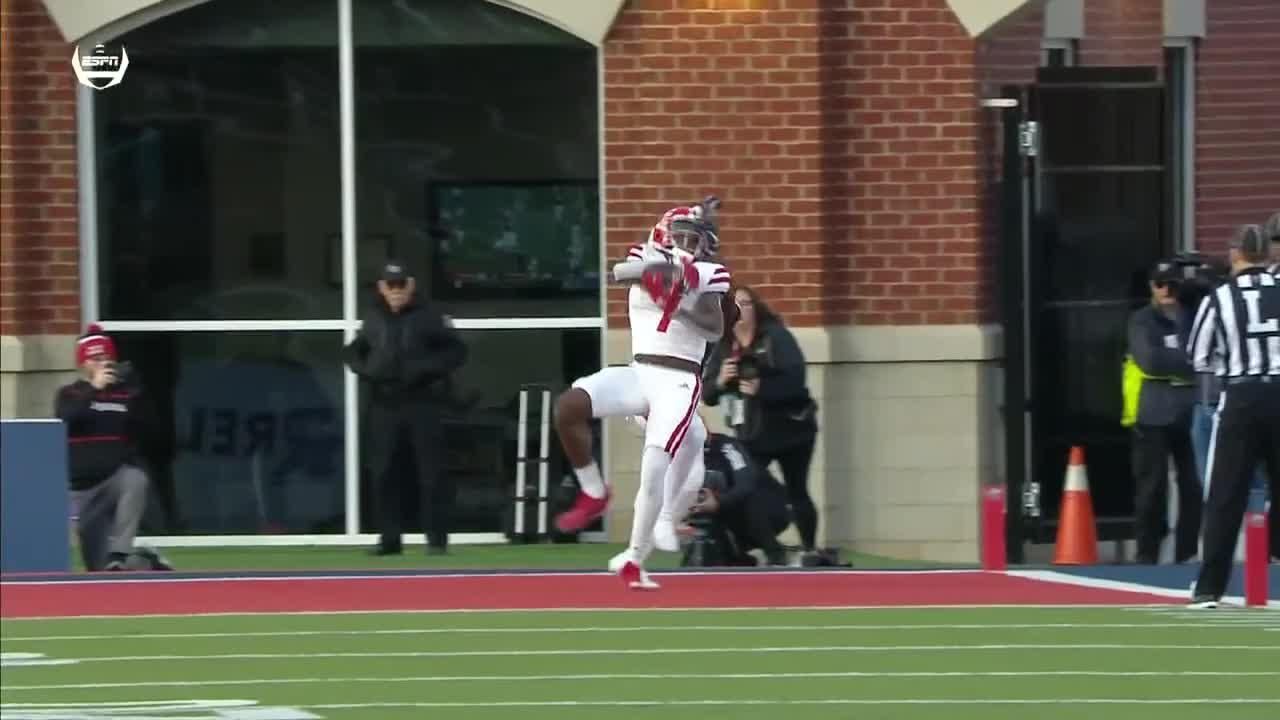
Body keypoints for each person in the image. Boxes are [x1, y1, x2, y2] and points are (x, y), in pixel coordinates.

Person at [553, 201, 731, 589]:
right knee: (568, 406)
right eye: (681, 235)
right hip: (639, 370)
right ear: (664, 232)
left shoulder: (708, 274)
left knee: (655, 463)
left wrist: (679, 302)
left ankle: (635, 555)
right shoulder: (646, 256)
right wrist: (657, 274)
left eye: (695, 238)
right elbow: (618, 273)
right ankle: (594, 491)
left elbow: (715, 328)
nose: (688, 244)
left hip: (679, 379)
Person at [343, 261, 467, 556]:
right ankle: (389, 540)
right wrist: (367, 370)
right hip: (384, 405)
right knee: (383, 471)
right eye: (390, 285)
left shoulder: (430, 316)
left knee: (431, 472)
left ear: (410, 286)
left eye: (401, 285)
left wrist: (423, 369)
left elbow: (456, 351)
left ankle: (436, 541)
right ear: (382, 287)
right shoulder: (373, 317)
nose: (396, 291)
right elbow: (354, 351)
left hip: (422, 403)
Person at [1188, 224, 1280, 607]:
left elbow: (1199, 354)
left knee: (1226, 495)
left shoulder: (1220, 297)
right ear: (1267, 254)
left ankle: (1210, 587)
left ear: (1235, 254)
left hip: (1241, 397)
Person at [701, 285, 820, 554]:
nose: (740, 310)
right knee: (748, 485)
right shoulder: (723, 345)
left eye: (746, 303)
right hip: (752, 432)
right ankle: (771, 548)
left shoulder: (776, 337)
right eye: (733, 304)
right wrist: (720, 381)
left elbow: (796, 382)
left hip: (792, 430)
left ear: (757, 309)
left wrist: (761, 389)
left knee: (797, 491)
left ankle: (810, 550)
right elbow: (707, 395)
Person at [54, 324, 172, 572]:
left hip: (113, 482)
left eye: (106, 358)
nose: (102, 363)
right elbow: (67, 417)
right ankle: (147, 563)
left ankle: (120, 549)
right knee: (99, 567)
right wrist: (93, 389)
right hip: (80, 490)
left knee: (135, 479)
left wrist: (138, 392)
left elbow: (150, 431)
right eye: (95, 359)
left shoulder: (123, 395)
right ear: (83, 363)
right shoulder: (69, 393)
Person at [1121, 260, 1201, 564]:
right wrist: (1184, 362)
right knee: (1151, 489)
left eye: (1173, 284)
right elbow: (1149, 361)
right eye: (1161, 284)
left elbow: (1202, 357)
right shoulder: (1141, 320)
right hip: (1150, 414)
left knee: (1193, 487)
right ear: (1152, 287)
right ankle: (1147, 555)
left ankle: (1186, 553)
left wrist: (1176, 361)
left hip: (1186, 413)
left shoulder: (1190, 318)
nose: (1167, 290)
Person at [684, 429, 792, 567]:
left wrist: (718, 502)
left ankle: (775, 554)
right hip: (731, 514)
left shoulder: (727, 447)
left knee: (746, 497)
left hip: (770, 509)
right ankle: (737, 559)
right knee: (705, 513)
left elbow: (746, 482)